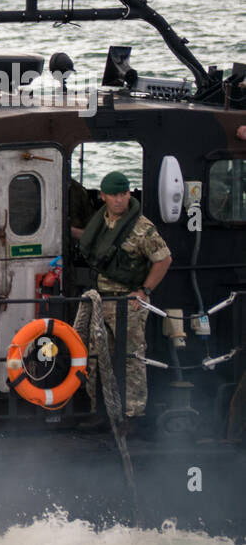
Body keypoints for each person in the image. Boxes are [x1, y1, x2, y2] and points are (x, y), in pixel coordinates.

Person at [72, 170, 172, 423]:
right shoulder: (101, 222)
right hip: (99, 300)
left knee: (131, 359)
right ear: (103, 196)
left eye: (124, 194)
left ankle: (132, 415)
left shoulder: (141, 227)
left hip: (128, 302)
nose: (120, 200)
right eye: (114, 195)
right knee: (96, 359)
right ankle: (100, 411)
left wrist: (144, 291)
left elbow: (163, 259)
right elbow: (88, 241)